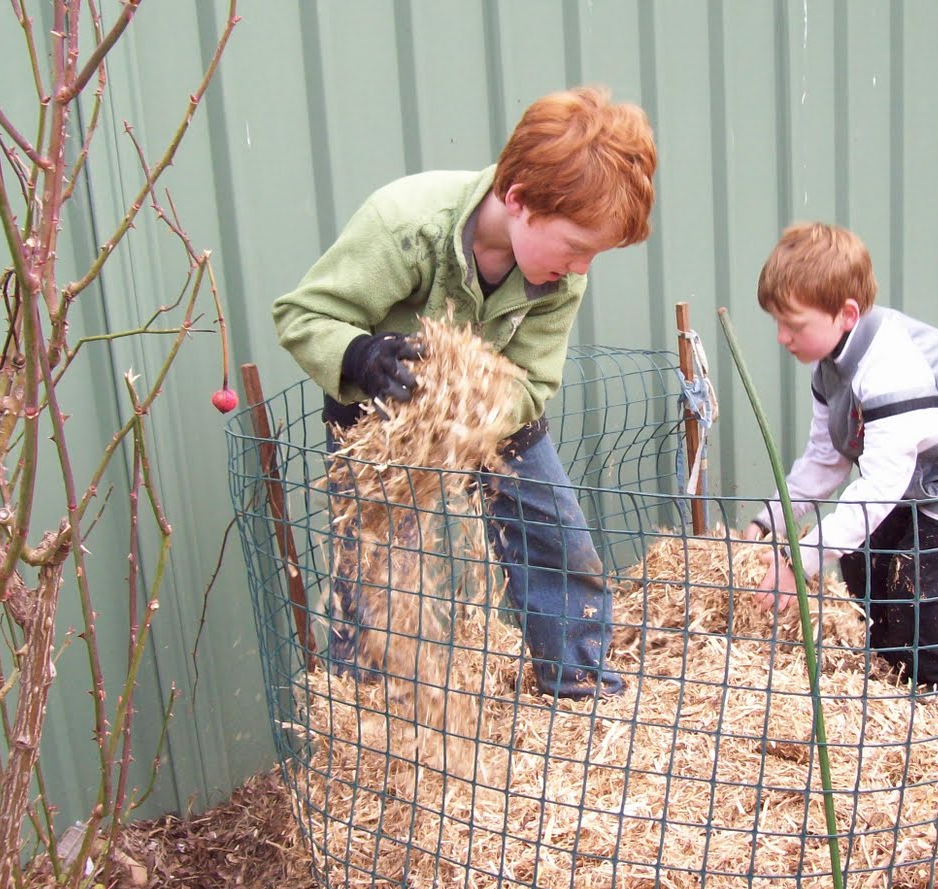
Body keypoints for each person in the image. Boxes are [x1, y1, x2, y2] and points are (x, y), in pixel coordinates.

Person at [272, 85, 656, 699]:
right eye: (578, 247)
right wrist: (362, 356)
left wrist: (477, 411)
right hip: (380, 416)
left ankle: (579, 683)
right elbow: (303, 315)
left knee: (558, 535)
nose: (582, 268)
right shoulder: (405, 224)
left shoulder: (558, 278)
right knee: (373, 565)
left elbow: (533, 380)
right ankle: (362, 705)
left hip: (491, 417)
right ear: (520, 200)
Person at [742, 222, 938, 690]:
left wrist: (800, 563)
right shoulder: (831, 365)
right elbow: (825, 458)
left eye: (793, 325)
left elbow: (878, 488)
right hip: (918, 463)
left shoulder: (890, 367)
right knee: (859, 556)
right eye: (777, 323)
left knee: (914, 581)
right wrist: (770, 521)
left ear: (846, 314)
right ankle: (891, 671)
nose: (781, 337)